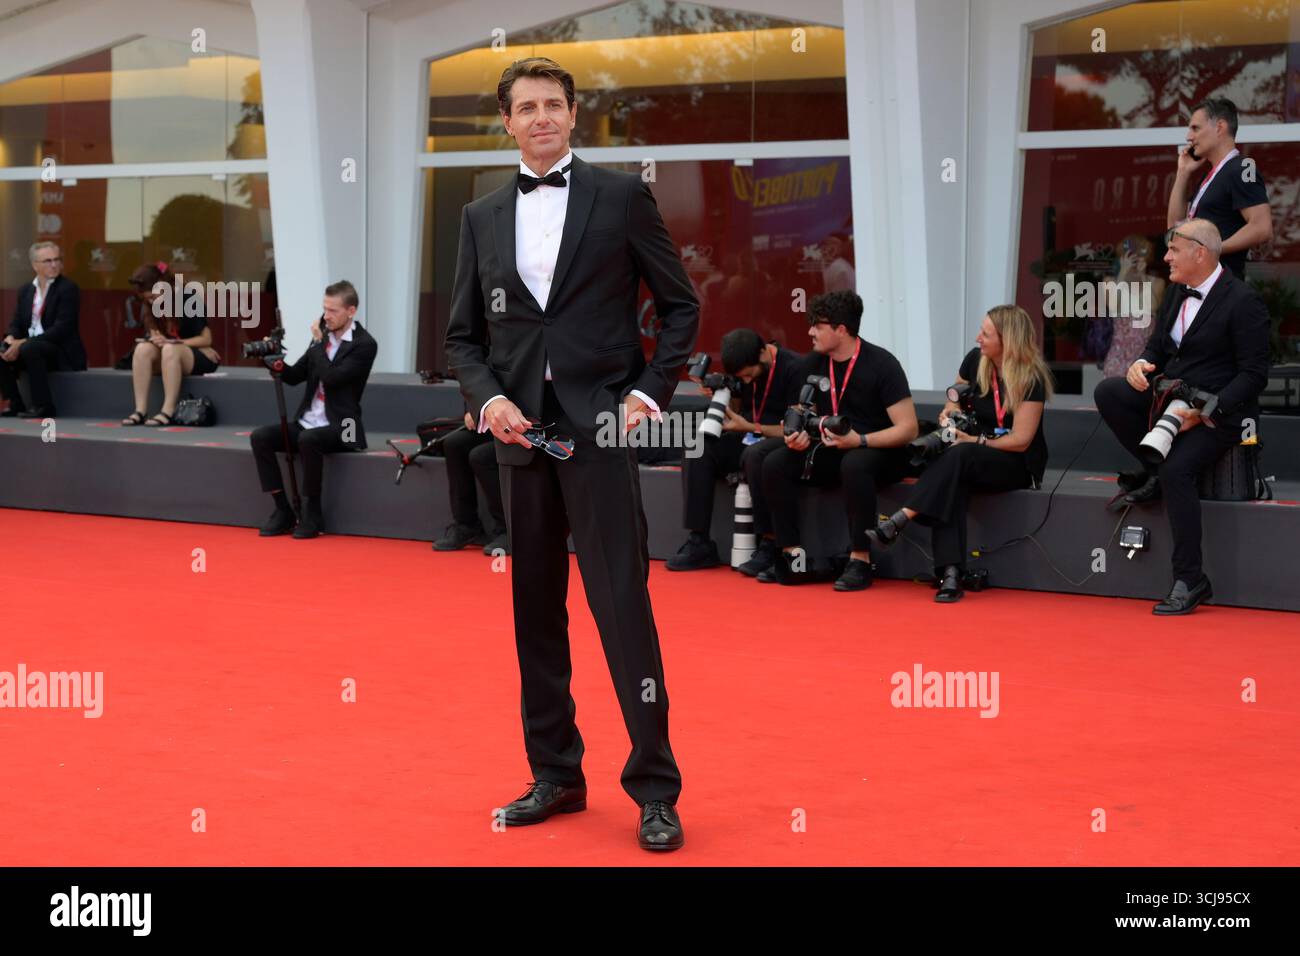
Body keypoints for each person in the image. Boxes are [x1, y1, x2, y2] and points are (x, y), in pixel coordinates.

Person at [444, 57, 698, 851]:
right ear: (508, 120)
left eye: (555, 103)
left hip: (599, 432)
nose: (543, 116)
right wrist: (489, 401)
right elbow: (462, 338)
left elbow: (680, 307)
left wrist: (649, 393)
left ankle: (655, 787)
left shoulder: (622, 197)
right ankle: (555, 773)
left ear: (574, 113)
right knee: (535, 613)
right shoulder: (482, 214)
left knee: (622, 607)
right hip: (521, 439)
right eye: (528, 106)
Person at [1093, 219, 1269, 615]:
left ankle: (1191, 579)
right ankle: (1152, 469)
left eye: (1173, 250)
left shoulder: (1243, 301)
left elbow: (1255, 374)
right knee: (1109, 392)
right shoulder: (1176, 293)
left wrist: (1206, 410)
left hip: (1221, 414)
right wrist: (1141, 365)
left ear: (1199, 253)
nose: (1166, 256)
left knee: (1176, 470)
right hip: (1169, 400)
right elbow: (1158, 347)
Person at [870, 305, 1053, 603]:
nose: (978, 337)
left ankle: (904, 518)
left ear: (1008, 340)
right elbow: (953, 400)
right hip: (970, 454)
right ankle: (951, 575)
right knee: (952, 472)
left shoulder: (1031, 378)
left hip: (1015, 463)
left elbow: (1021, 440)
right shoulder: (975, 360)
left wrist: (974, 441)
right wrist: (949, 416)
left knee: (957, 457)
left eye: (986, 333)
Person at [760, 290, 919, 591]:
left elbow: (908, 428)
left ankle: (860, 559)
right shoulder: (812, 364)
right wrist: (796, 435)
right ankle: (793, 558)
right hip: (833, 447)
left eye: (818, 326)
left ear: (841, 330)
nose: (810, 332)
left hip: (881, 449)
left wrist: (860, 440)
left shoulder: (882, 364)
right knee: (775, 462)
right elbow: (798, 413)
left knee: (856, 464)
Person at [665, 327, 804, 576]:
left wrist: (750, 426)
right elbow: (741, 409)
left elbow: (795, 429)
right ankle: (699, 541)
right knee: (698, 448)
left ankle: (769, 543)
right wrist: (724, 393)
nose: (748, 381)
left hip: (782, 441)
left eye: (749, 376)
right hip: (748, 435)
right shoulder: (745, 367)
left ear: (764, 353)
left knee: (757, 455)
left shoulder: (795, 368)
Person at [249, 280, 378, 539]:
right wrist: (270, 358)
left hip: (345, 427)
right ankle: (282, 509)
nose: (326, 317)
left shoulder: (364, 344)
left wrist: (319, 345)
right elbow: (295, 375)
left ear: (351, 311)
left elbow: (331, 379)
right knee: (260, 437)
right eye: (324, 310)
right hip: (309, 421)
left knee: (309, 439)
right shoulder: (322, 339)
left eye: (333, 311)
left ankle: (312, 512)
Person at [1167, 97, 1271, 281]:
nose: (1188, 137)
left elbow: (1262, 227)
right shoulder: (1210, 177)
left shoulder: (1243, 166)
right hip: (1199, 284)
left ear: (1219, 127)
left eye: (1195, 128)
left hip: (1221, 285)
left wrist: (1213, 249)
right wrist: (1182, 172)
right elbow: (1174, 229)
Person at [120, 262, 222, 426]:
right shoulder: (150, 306)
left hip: (196, 354)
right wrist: (156, 339)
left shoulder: (187, 297)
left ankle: (167, 410)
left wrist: (173, 342)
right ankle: (140, 410)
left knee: (170, 349)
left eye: (154, 297)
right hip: (169, 355)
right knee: (142, 349)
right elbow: (155, 335)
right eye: (148, 299)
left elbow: (206, 339)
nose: (152, 302)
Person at [0, 242, 87, 419]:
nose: (54, 265)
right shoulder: (26, 290)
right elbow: (17, 321)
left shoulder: (68, 288)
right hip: (30, 348)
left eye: (57, 260)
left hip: (60, 350)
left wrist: (23, 342)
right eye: (47, 261)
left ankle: (43, 406)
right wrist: (11, 337)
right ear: (35, 265)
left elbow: (62, 329)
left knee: (30, 348)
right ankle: (15, 403)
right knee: (2, 350)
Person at [432, 407, 508, 555]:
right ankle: (466, 525)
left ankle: (508, 530)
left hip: (523, 426)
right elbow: (476, 385)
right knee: (454, 444)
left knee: (480, 456)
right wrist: (476, 409)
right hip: (494, 424)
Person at [1101, 235, 1166, 379]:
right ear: (1122, 258)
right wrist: (1123, 273)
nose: (1135, 261)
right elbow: (1112, 306)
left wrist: (1142, 276)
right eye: (1130, 256)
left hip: (1145, 355)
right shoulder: (1110, 282)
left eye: (1140, 256)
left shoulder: (1157, 283)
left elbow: (1153, 307)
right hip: (1118, 354)